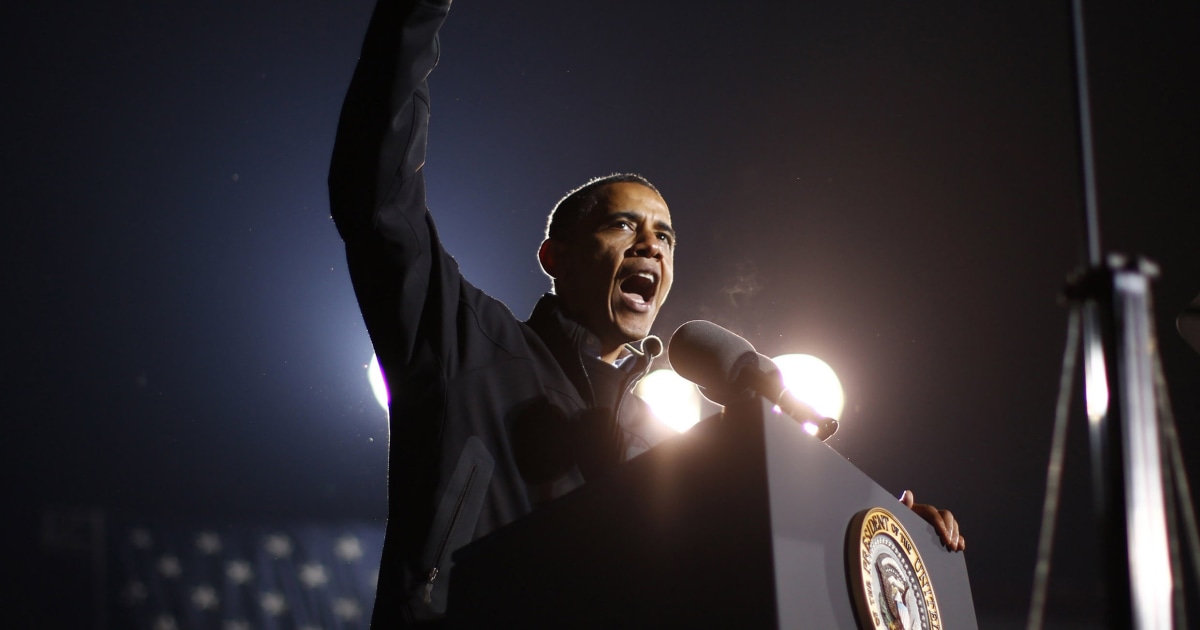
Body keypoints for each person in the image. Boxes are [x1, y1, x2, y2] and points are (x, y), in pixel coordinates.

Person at [328, 1, 963, 626]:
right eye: (623, 224)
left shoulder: (667, 451)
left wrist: (893, 544)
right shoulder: (462, 338)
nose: (649, 245)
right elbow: (377, 197)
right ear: (557, 256)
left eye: (664, 237)